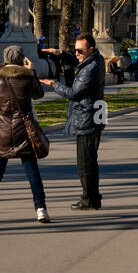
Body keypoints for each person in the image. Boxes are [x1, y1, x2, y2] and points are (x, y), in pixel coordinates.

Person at [0, 45, 50, 224]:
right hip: (23, 129)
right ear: (21, 59)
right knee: (31, 170)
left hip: (2, 128)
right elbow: (39, 94)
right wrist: (31, 73)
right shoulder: (27, 78)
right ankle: (40, 208)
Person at [41, 33, 106, 210]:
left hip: (87, 118)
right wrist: (61, 53)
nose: (76, 53)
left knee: (85, 163)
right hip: (95, 114)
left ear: (90, 49)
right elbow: (79, 61)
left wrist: (54, 85)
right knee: (91, 160)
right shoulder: (96, 59)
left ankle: (88, 199)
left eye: (79, 50)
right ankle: (94, 197)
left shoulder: (90, 69)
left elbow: (73, 93)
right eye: (74, 50)